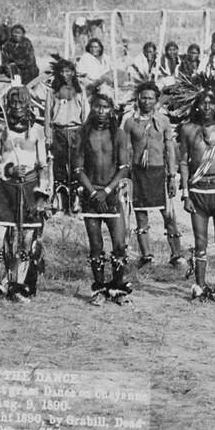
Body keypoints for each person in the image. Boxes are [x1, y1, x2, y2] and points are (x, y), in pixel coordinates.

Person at [0, 86, 51, 303]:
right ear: (8, 106)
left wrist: (41, 197)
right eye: (13, 104)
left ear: (29, 105)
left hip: (30, 190)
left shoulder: (37, 131)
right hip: (7, 190)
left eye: (22, 104)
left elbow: (43, 166)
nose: (18, 108)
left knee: (26, 242)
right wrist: (8, 169)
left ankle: (18, 286)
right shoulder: (1, 130)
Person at [174, 75, 215, 302]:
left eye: (212, 103)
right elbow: (183, 162)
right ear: (196, 105)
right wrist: (185, 194)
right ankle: (199, 286)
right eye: (203, 102)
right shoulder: (187, 129)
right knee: (200, 242)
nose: (207, 107)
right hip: (198, 192)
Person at [76, 92, 133, 304]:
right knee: (96, 246)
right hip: (91, 196)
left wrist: (107, 191)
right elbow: (78, 168)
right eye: (97, 107)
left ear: (111, 110)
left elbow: (124, 168)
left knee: (119, 244)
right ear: (92, 108)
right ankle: (99, 289)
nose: (101, 111)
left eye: (105, 107)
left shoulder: (117, 134)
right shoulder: (84, 133)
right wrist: (93, 192)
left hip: (111, 195)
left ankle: (117, 288)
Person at [124, 81, 185, 269]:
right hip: (138, 173)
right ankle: (147, 256)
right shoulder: (130, 122)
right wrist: (126, 178)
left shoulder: (163, 121)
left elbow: (170, 149)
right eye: (143, 98)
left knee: (169, 215)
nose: (147, 101)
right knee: (141, 214)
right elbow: (126, 150)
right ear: (138, 99)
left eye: (151, 98)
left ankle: (176, 255)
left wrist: (173, 175)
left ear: (156, 100)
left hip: (159, 172)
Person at [44, 55, 87, 213]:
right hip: (59, 133)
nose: (65, 75)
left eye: (68, 71)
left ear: (73, 73)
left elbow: (86, 114)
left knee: (77, 167)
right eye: (62, 71)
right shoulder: (52, 92)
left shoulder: (79, 91)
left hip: (76, 132)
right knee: (59, 167)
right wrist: (48, 136)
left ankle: (76, 203)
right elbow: (48, 115)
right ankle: (60, 202)